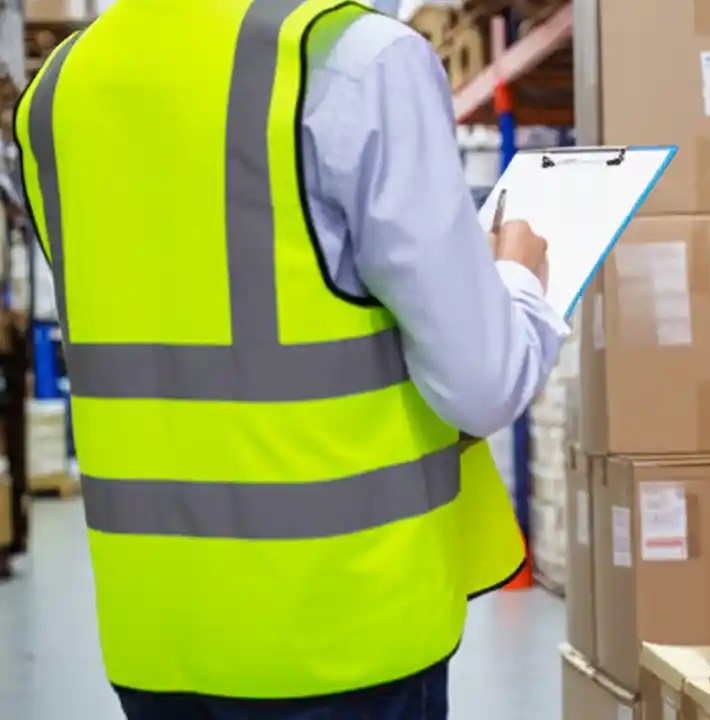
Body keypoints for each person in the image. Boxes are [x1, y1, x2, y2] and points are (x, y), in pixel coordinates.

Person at [14, 0, 569, 717]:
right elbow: (482, 383)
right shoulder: (351, 59)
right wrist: (518, 279)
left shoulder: (59, 91)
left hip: (157, 635)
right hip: (343, 636)